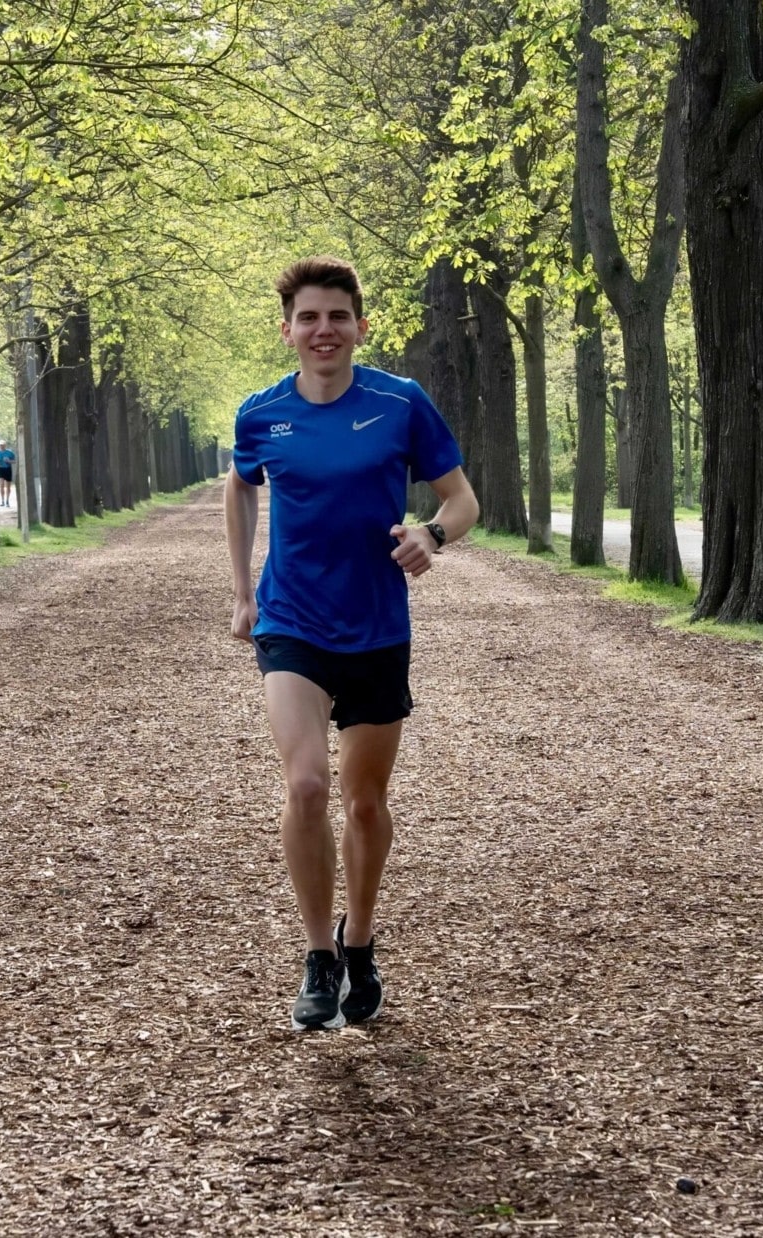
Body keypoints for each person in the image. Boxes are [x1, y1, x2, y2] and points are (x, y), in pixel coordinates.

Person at [224, 255, 478, 1032]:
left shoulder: (400, 404)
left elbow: (463, 499)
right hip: (291, 620)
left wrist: (431, 535)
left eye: (337, 316)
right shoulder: (261, 414)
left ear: (359, 326)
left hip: (375, 627)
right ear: (288, 331)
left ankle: (359, 942)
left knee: (364, 805)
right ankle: (316, 958)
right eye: (309, 317)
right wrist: (241, 591)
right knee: (304, 785)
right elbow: (239, 487)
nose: (323, 330)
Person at [0, 440, 16, 508]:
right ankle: (2, 501)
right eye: (0, 445)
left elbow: (14, 461)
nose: (2, 446)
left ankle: (7, 501)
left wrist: (9, 461)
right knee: (1, 485)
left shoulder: (10, 453)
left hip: (8, 469)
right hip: (0, 469)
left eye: (3, 445)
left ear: (5, 445)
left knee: (8, 486)